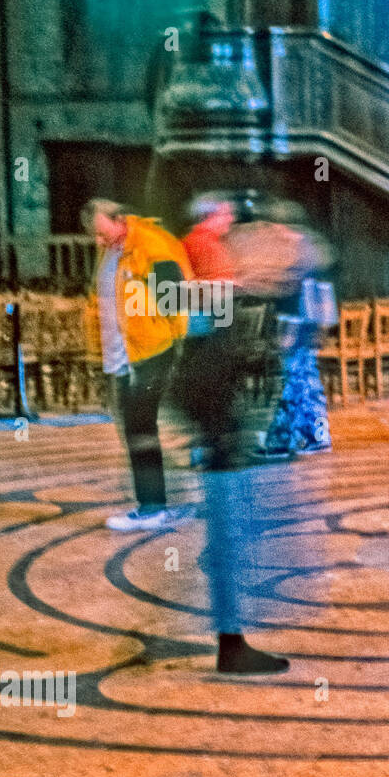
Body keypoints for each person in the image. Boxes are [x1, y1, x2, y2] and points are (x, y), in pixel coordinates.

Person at [167, 194, 289, 674]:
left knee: (226, 540)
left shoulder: (205, 317)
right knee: (226, 540)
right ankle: (231, 643)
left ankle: (231, 637)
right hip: (221, 445)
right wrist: (223, 438)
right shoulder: (215, 315)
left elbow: (191, 383)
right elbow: (204, 382)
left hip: (217, 440)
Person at [82, 198, 192, 531]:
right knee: (134, 428)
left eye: (103, 233)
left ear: (119, 219)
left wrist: (170, 342)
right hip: (123, 358)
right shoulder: (113, 249)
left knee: (140, 427)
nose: (100, 242)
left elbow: (174, 296)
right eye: (95, 237)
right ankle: (153, 503)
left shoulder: (150, 244)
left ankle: (153, 507)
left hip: (150, 353)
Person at [248, 200, 334, 458]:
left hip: (297, 325)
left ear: (282, 224)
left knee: (292, 383)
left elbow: (287, 284)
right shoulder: (312, 244)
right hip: (309, 325)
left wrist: (259, 282)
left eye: (274, 225)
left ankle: (281, 441)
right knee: (305, 383)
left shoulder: (298, 247)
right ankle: (317, 437)